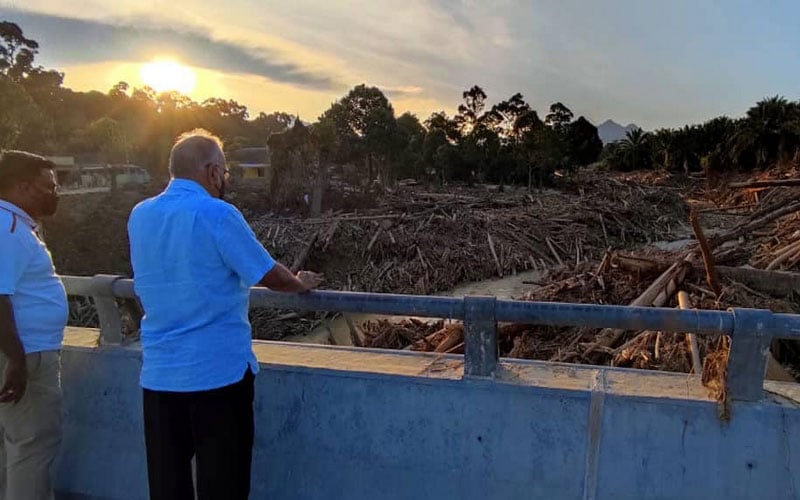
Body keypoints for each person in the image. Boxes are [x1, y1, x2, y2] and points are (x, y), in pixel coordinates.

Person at [127, 129, 322, 500]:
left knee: (168, 486)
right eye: (226, 173)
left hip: (160, 375)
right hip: (216, 375)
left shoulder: (141, 215)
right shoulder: (216, 213)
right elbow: (265, 272)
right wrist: (298, 283)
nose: (225, 180)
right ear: (212, 171)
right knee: (224, 484)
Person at [0, 151, 66, 500]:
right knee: (33, 446)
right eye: (48, 186)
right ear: (22, 187)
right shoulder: (7, 228)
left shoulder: (15, 225)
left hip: (22, 351)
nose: (56, 193)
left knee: (12, 447)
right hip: (25, 353)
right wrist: (16, 359)